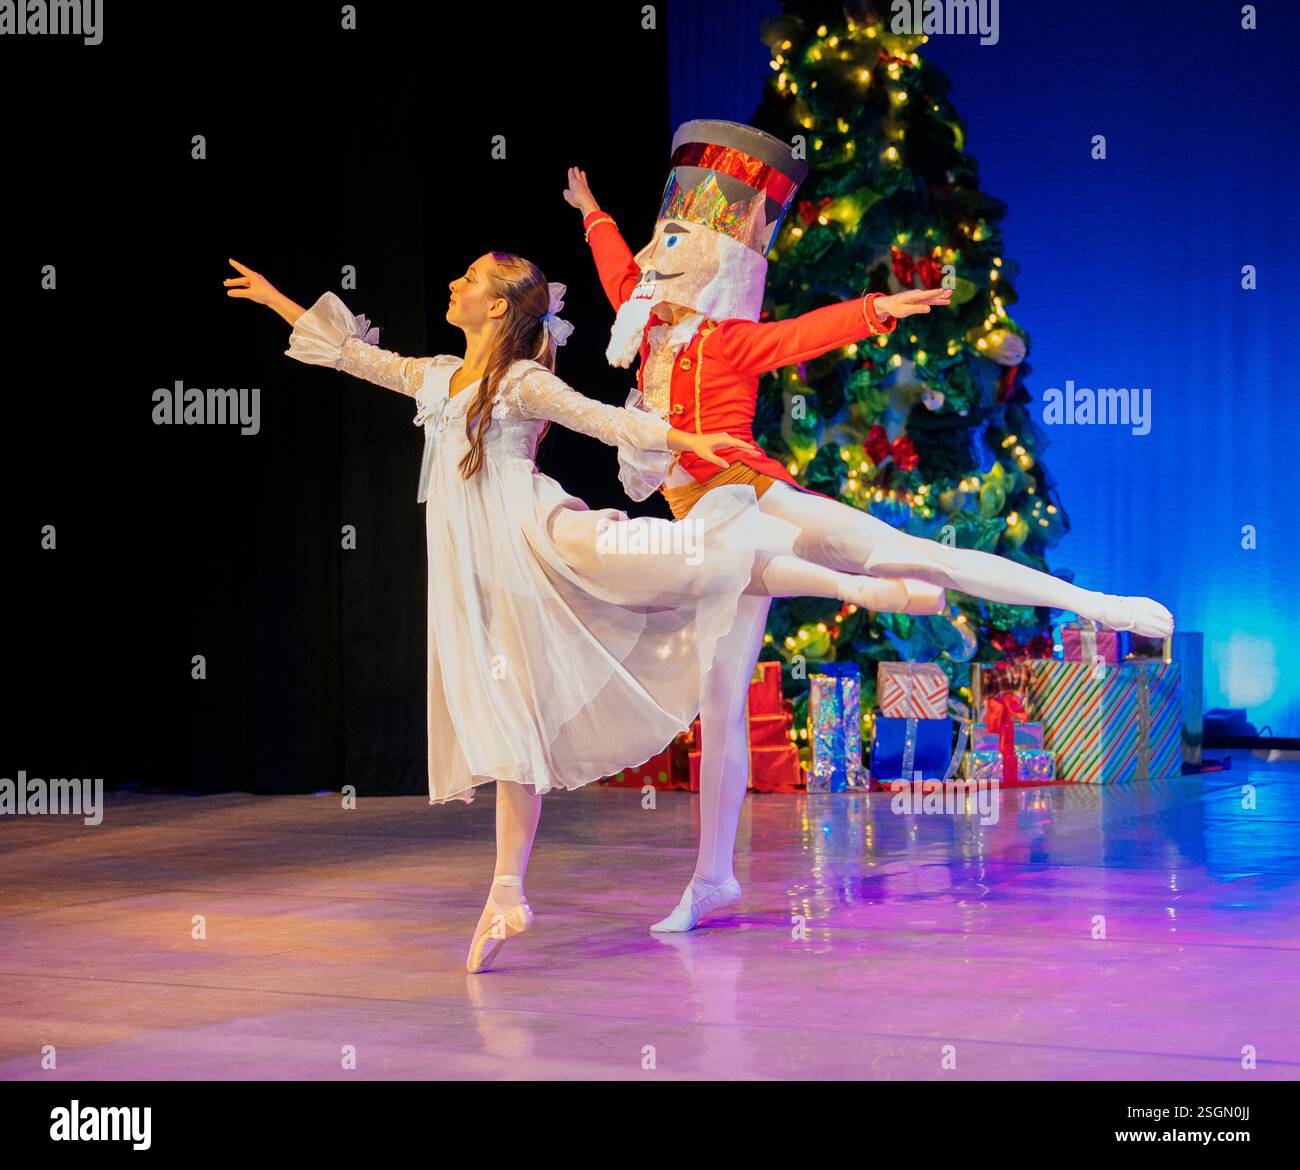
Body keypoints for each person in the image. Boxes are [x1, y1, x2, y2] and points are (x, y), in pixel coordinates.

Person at [224, 251, 918, 972]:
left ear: (496, 308)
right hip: (483, 574)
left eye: (466, 280)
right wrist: (278, 296)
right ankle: (505, 894)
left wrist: (687, 440)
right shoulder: (435, 375)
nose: (453, 285)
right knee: (512, 730)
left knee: (678, 556)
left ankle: (837, 577)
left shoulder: (522, 382)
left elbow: (604, 421)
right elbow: (349, 357)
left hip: (542, 538)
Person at [564, 119, 1174, 932]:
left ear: (711, 264)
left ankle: (1095, 604)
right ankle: (713, 877)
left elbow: (802, 334)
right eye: (654, 240)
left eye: (669, 241)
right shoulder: (646, 331)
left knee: (915, 554)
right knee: (721, 698)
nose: (649, 254)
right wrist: (592, 213)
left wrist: (878, 306)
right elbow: (617, 274)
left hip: (752, 499)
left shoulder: (728, 341)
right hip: (707, 533)